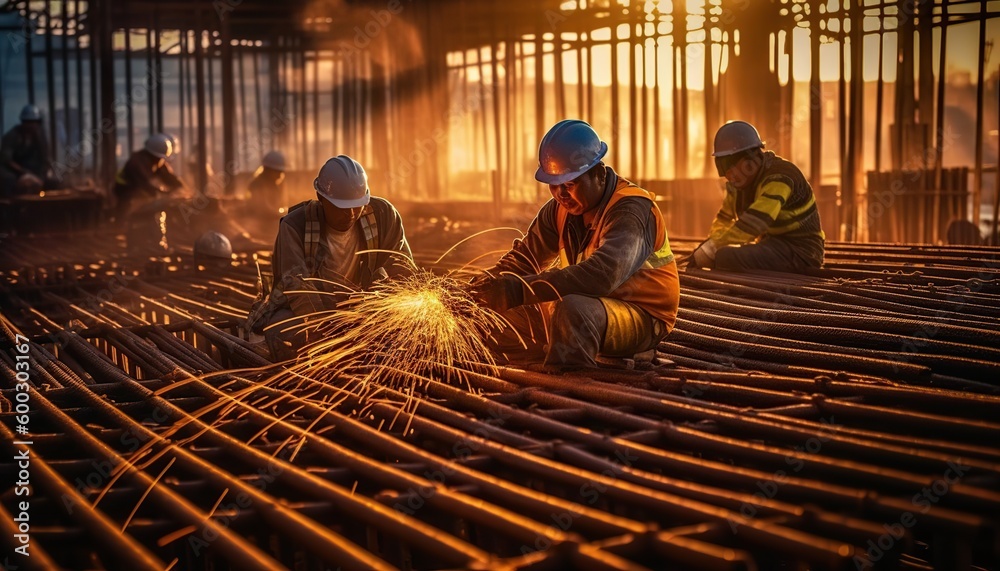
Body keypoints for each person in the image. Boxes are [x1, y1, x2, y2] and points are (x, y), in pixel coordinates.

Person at [467, 119, 680, 372]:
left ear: (599, 175)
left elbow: (602, 276)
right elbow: (524, 259)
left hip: (641, 316)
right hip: (586, 306)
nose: (561, 194)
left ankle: (571, 381)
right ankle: (541, 357)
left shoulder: (631, 211)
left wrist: (518, 290)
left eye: (569, 184)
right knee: (492, 315)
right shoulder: (559, 210)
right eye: (554, 185)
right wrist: (482, 289)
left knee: (572, 310)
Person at [246, 154, 414, 360]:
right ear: (321, 198)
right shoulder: (296, 226)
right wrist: (323, 327)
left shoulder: (384, 216)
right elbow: (297, 284)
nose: (350, 215)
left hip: (361, 307)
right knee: (284, 330)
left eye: (357, 207)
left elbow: (402, 265)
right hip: (309, 311)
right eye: (341, 208)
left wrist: (394, 307)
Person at [688, 120, 824, 272]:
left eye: (730, 165)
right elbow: (724, 218)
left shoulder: (780, 177)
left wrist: (712, 248)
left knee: (726, 257)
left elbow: (755, 223)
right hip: (771, 244)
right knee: (723, 254)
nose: (728, 175)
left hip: (802, 252)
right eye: (723, 167)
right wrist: (711, 242)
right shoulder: (740, 181)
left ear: (752, 157)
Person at [113, 134, 187, 222]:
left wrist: (180, 187)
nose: (162, 161)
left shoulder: (156, 160)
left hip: (139, 190)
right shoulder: (136, 163)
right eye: (160, 158)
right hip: (125, 189)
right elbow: (145, 184)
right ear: (153, 155)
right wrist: (165, 193)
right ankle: (122, 224)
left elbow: (169, 176)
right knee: (128, 209)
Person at [0, 105, 51, 197]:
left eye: (35, 122)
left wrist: (44, 172)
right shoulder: (12, 136)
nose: (32, 125)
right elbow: (7, 160)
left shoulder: (40, 136)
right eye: (28, 122)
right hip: (14, 171)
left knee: (52, 181)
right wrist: (23, 172)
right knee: (8, 179)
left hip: (32, 169)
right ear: (23, 122)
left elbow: (45, 156)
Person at [247, 150, 287, 218]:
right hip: (259, 220)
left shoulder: (274, 185)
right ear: (268, 170)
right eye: (278, 171)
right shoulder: (257, 185)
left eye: (281, 172)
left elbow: (279, 206)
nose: (280, 175)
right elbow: (264, 210)